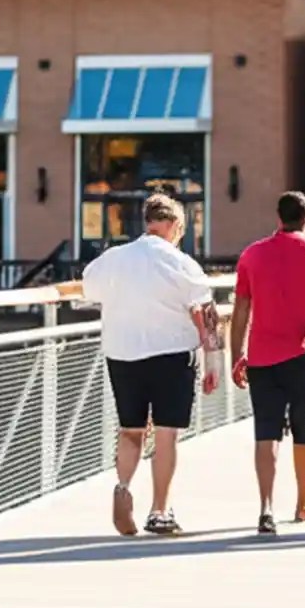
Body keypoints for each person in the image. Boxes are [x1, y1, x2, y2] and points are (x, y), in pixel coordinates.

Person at [73, 194, 224, 537]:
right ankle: (159, 511)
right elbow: (206, 314)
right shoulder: (182, 264)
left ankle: (123, 487)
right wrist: (213, 361)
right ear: (174, 225)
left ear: (148, 223)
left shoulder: (113, 258)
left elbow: (89, 288)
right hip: (172, 355)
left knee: (131, 429)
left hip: (123, 354)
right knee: (167, 433)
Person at [231, 191, 305, 535]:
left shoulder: (252, 255)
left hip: (262, 357)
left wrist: (237, 356)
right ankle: (303, 505)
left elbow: (241, 309)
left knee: (266, 432)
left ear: (279, 218)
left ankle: (266, 509)